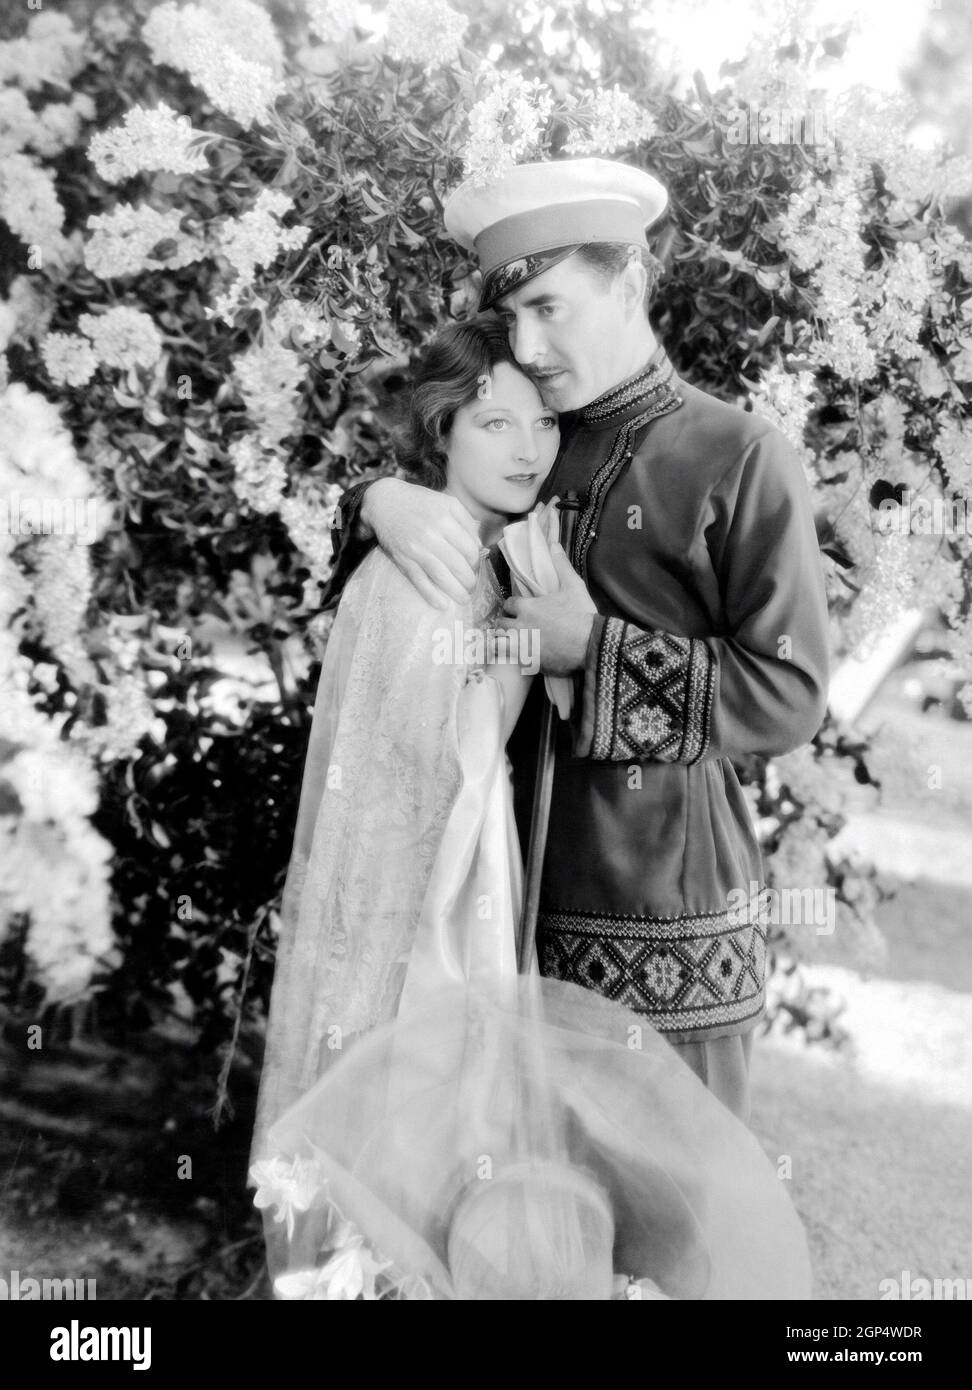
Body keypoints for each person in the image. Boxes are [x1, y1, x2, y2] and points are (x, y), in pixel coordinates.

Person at [320, 156, 831, 1124]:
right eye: (512, 318)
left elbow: (790, 692)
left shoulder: (738, 456)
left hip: (669, 936)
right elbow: (429, 552)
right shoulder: (529, 444)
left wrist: (590, 650)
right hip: (495, 920)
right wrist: (375, 502)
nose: (529, 342)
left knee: (671, 1244)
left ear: (628, 278)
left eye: (551, 307)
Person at [248, 318, 563, 1278]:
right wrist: (533, 648)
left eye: (543, 423)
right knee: (381, 1158)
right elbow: (431, 777)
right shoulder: (415, 571)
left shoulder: (502, 554)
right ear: (441, 433)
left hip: (466, 881)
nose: (526, 449)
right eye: (494, 424)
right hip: (404, 901)